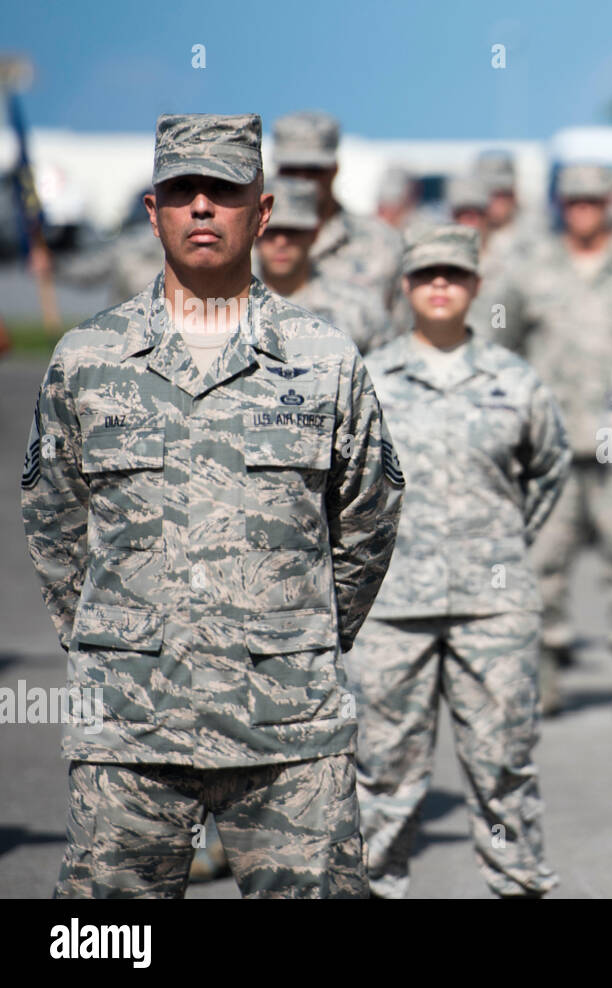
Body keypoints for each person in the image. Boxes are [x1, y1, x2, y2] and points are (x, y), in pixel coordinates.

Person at [21, 113, 404, 898]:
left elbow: (368, 515)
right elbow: (54, 523)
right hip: (131, 727)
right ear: (152, 209)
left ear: (261, 213)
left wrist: (294, 639)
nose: (201, 207)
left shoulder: (323, 359)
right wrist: (119, 640)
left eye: (223, 192)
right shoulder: (88, 360)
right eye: (181, 190)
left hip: (288, 732)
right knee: (104, 946)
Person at [345, 224, 570, 898]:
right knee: (382, 774)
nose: (439, 286)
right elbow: (346, 483)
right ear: (405, 286)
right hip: (391, 608)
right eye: (424, 275)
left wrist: (495, 546)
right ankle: (372, 889)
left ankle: (517, 886)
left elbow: (549, 472)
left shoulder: (514, 378)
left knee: (504, 767)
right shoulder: (369, 377)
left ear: (475, 286)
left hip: (492, 607)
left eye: (453, 275)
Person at [502, 164, 612, 716]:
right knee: (544, 561)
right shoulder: (531, 270)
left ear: (608, 206)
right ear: (560, 206)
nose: (583, 211)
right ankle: (544, 670)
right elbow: (504, 345)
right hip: (551, 447)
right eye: (573, 202)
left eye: (592, 201)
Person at [272, 111, 403, 313]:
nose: (301, 180)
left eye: (314, 169)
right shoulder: (249, 242)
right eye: (291, 169)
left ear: (334, 169)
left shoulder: (383, 244)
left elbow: (399, 333)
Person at [255, 176, 390, 353]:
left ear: (314, 234)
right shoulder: (226, 306)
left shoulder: (358, 308)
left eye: (293, 232)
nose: (281, 242)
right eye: (271, 232)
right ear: (255, 230)